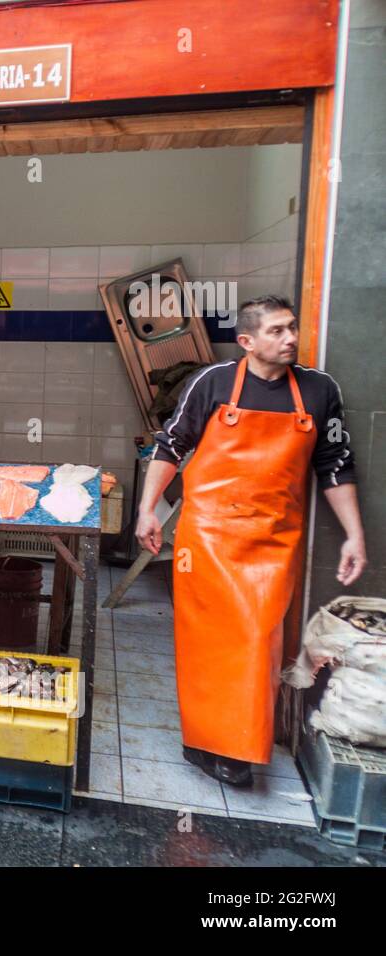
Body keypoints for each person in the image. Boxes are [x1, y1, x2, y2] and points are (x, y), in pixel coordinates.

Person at [136, 295, 367, 788]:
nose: (290, 339)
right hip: (208, 535)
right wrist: (146, 510)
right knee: (204, 644)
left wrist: (354, 535)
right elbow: (170, 445)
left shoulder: (319, 390)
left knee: (258, 640)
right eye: (277, 331)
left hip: (273, 540)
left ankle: (240, 743)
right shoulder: (213, 382)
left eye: (292, 329)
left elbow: (336, 465)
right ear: (247, 341)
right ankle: (205, 741)